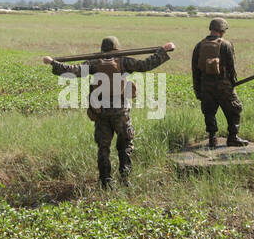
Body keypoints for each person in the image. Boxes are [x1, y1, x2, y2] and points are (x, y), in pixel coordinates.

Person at [41, 37, 173, 188]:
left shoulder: (94, 62)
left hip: (100, 111)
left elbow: (72, 71)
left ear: (102, 49)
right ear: (117, 48)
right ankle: (125, 178)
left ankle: (106, 181)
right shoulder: (123, 61)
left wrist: (53, 63)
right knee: (126, 144)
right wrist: (163, 51)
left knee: (103, 147)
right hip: (121, 112)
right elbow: (145, 65)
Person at [191, 17, 248, 149]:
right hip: (223, 86)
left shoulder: (199, 45)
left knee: (209, 112)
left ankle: (212, 139)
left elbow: (195, 70)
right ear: (222, 30)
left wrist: (198, 89)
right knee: (235, 109)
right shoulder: (226, 45)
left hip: (206, 86)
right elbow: (231, 68)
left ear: (211, 29)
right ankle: (233, 137)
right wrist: (232, 84)